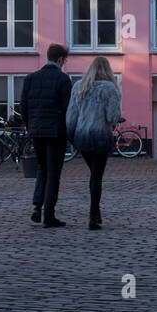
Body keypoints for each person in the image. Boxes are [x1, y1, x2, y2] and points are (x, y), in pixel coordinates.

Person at [65, 56, 124, 231]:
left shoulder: (79, 86)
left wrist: (71, 137)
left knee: (94, 174)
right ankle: (93, 215)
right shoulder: (110, 88)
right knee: (97, 176)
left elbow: (71, 116)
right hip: (101, 136)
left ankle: (96, 212)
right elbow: (111, 117)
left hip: (82, 136)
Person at [19, 44, 72, 227]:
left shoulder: (31, 78)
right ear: (60, 59)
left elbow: (23, 108)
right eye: (64, 60)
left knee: (42, 168)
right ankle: (49, 214)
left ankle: (36, 207)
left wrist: (30, 126)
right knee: (54, 173)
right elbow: (68, 110)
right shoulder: (63, 80)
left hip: (37, 131)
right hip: (56, 133)